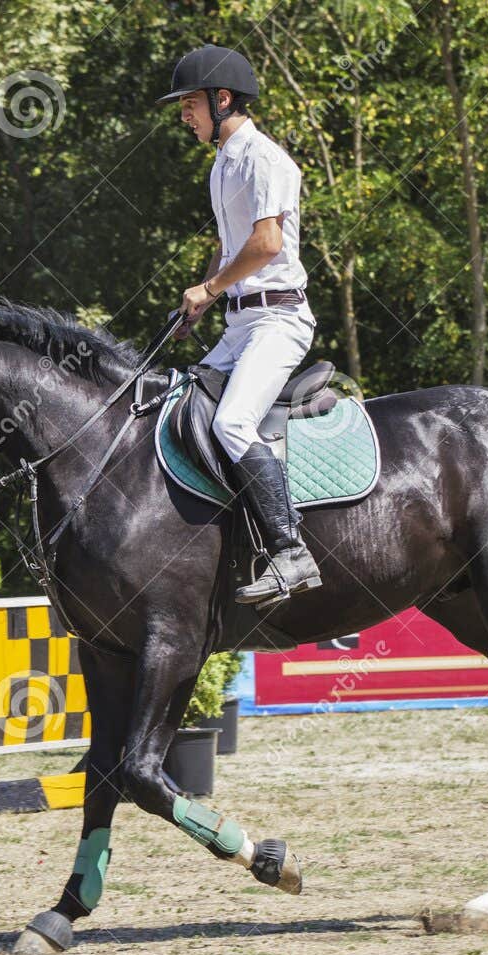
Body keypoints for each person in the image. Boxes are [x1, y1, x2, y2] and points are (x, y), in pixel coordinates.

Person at [158, 44, 322, 607]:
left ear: (222, 99)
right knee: (180, 408)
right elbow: (231, 248)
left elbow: (267, 243)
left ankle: (290, 551)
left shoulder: (265, 159)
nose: (184, 114)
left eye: (190, 103)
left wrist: (210, 287)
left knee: (230, 423)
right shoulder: (224, 163)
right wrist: (203, 299)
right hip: (239, 322)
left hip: (279, 318)